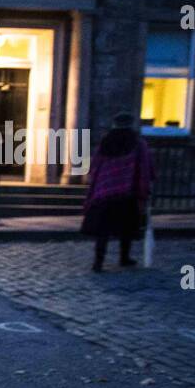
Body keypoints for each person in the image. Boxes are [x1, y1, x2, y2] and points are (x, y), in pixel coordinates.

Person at [82, 111, 154, 272]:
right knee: (127, 227)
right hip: (127, 191)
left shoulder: (105, 142)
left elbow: (95, 165)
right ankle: (124, 257)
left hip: (105, 190)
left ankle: (98, 262)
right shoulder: (138, 143)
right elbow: (144, 168)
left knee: (103, 229)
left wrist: (94, 184)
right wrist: (144, 189)